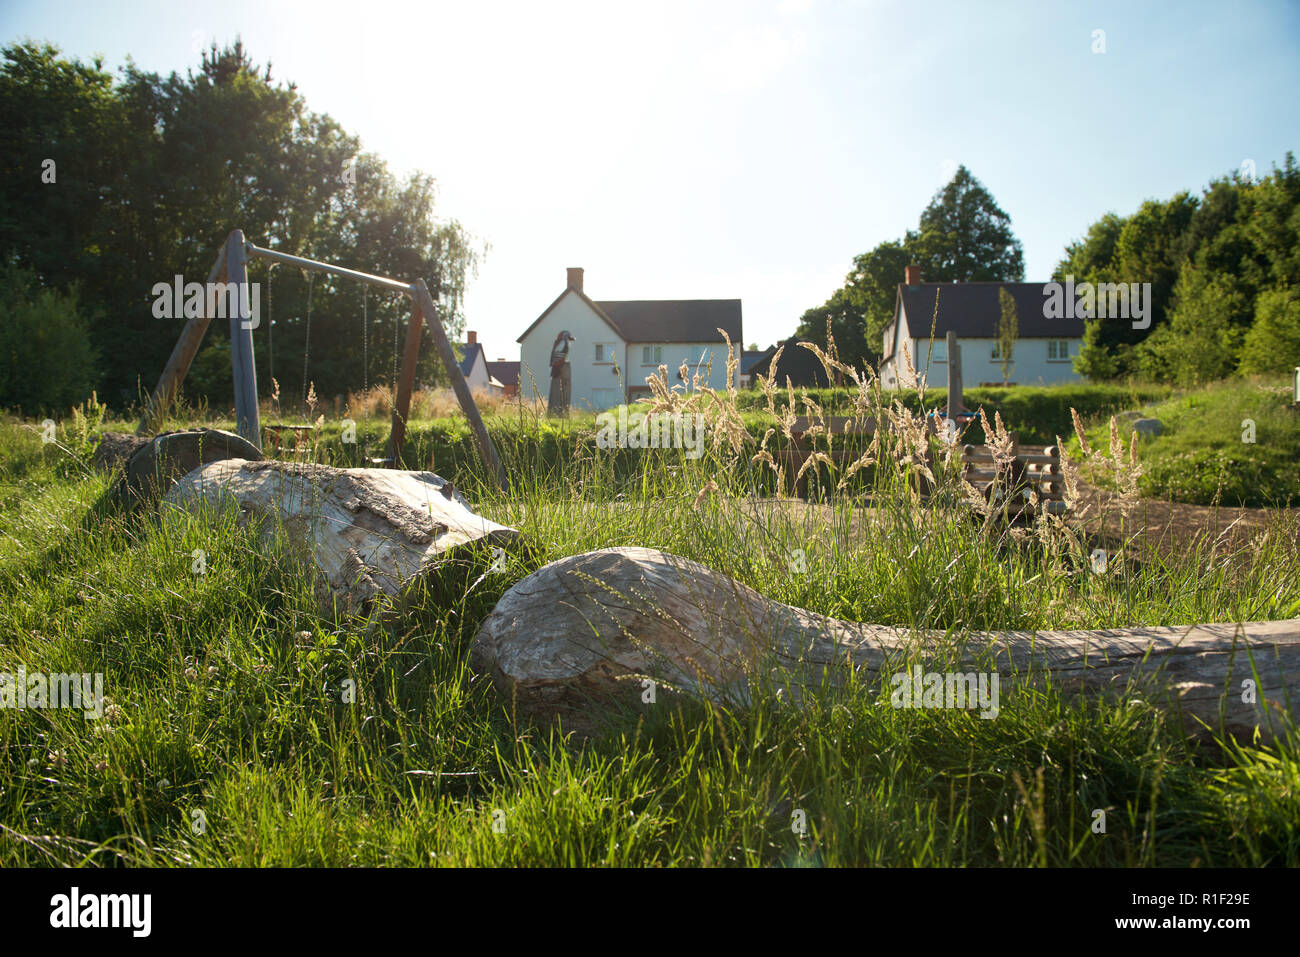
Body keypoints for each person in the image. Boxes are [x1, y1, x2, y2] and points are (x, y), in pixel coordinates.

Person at [548, 330, 575, 416]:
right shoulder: (563, 343)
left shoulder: (560, 343)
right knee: (558, 394)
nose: (569, 341)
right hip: (558, 366)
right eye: (568, 338)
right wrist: (559, 366)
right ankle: (558, 413)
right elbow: (558, 358)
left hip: (559, 365)